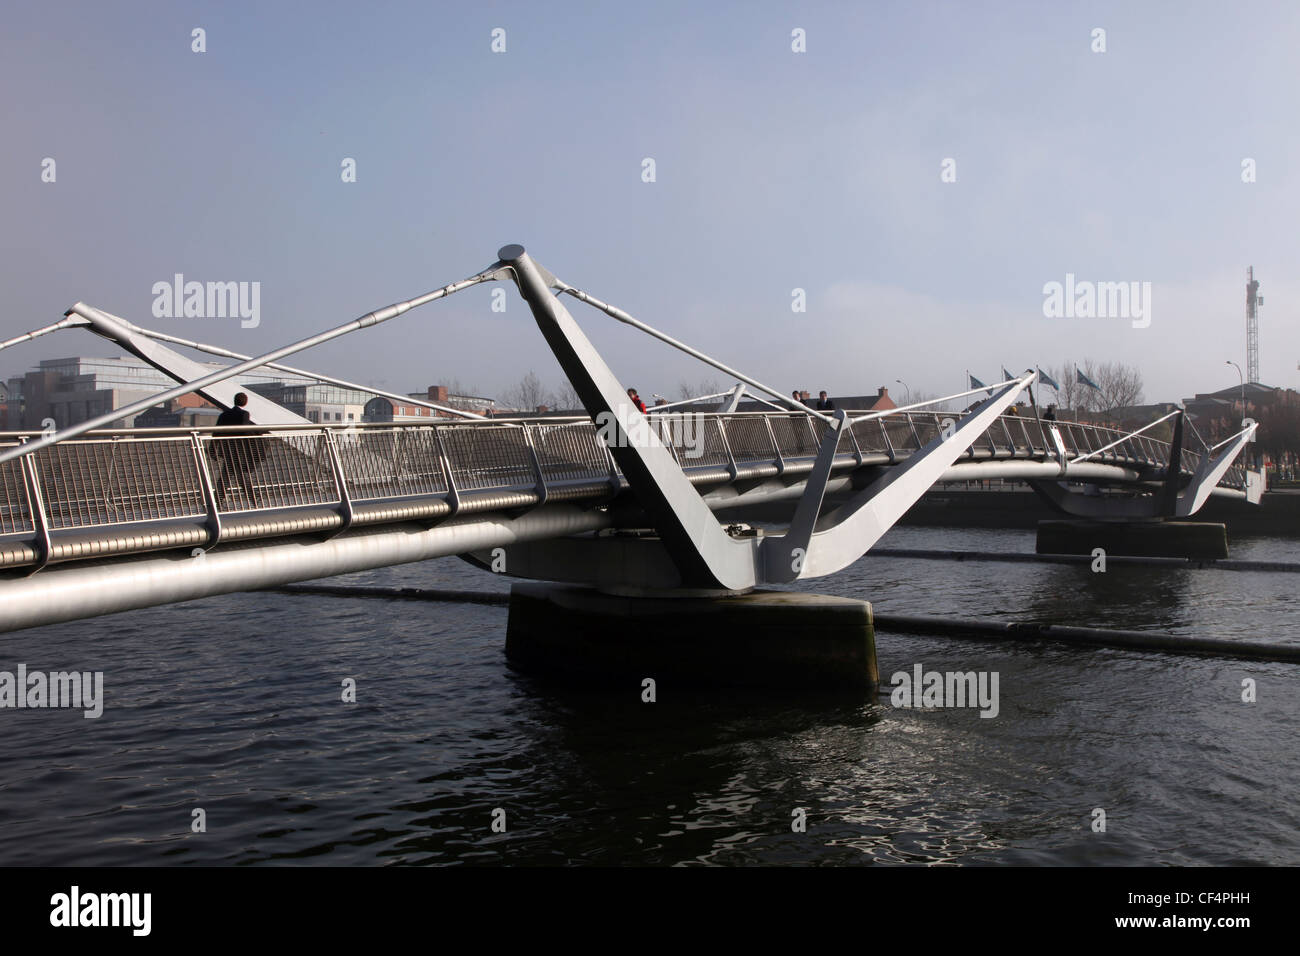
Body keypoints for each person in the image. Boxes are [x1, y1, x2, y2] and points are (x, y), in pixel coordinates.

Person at [213, 393, 266, 506]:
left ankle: (217, 499)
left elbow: (216, 432)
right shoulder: (244, 414)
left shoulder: (224, 415)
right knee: (238, 474)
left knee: (228, 474)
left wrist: (212, 448)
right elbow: (244, 430)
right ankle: (254, 498)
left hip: (227, 449)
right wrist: (258, 432)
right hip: (239, 450)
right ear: (245, 402)